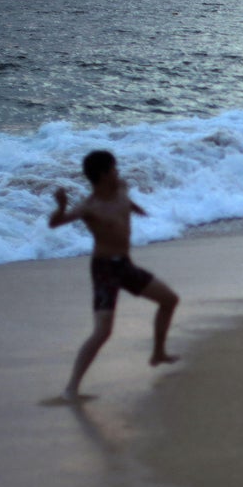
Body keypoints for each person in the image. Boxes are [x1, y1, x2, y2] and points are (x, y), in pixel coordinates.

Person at [49, 150, 180, 401]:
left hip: (125, 266)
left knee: (169, 300)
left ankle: (158, 354)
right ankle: (71, 388)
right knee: (103, 331)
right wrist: (61, 206)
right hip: (105, 270)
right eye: (113, 168)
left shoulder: (121, 189)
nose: (118, 171)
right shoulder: (89, 207)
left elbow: (125, 203)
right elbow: (56, 223)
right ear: (102, 174)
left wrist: (138, 209)